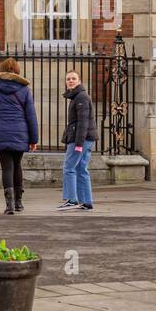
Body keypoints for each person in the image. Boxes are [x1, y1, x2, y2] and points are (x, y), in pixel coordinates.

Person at [0, 57, 39, 214]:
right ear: (17, 70)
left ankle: (9, 205)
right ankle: (19, 203)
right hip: (20, 133)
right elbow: (31, 116)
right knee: (17, 165)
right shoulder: (24, 90)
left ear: (2, 69)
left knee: (6, 167)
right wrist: (34, 139)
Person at [60, 70, 97, 210]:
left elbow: (83, 122)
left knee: (69, 168)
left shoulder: (81, 97)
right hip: (85, 139)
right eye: (68, 79)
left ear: (79, 81)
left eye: (73, 78)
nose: (70, 81)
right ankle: (87, 202)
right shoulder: (77, 96)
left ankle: (72, 199)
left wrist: (79, 144)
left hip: (79, 139)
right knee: (81, 169)